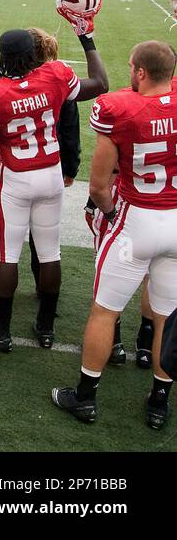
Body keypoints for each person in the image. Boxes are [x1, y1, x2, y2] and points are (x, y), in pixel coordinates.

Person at [53, 41, 177, 430]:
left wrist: (110, 216)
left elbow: (99, 187)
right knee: (167, 318)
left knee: (105, 311)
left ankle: (85, 397)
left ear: (140, 72)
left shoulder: (119, 109)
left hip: (136, 220)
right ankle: (159, 403)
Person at [0, 25, 107, 351]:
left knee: (6, 257)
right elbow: (100, 84)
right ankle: (45, 327)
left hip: (16, 179)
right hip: (51, 174)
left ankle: (0, 331)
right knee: (49, 252)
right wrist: (87, 38)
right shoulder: (56, 75)